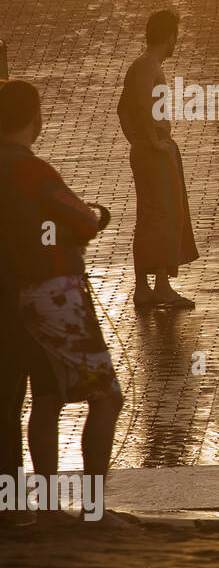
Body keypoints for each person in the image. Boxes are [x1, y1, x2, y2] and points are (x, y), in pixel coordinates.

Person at [0, 80, 123, 517]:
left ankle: (49, 506)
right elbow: (85, 221)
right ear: (34, 118)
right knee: (106, 397)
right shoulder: (31, 168)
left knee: (46, 399)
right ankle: (93, 508)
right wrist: (89, 217)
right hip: (55, 295)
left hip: (17, 298)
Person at [116, 10, 199, 308]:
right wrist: (152, 141)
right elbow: (138, 105)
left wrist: (137, 140)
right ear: (169, 37)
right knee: (165, 213)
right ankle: (161, 285)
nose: (176, 41)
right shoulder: (148, 66)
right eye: (175, 35)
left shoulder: (142, 66)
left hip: (147, 147)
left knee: (149, 216)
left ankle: (143, 288)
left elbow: (123, 110)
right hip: (155, 149)